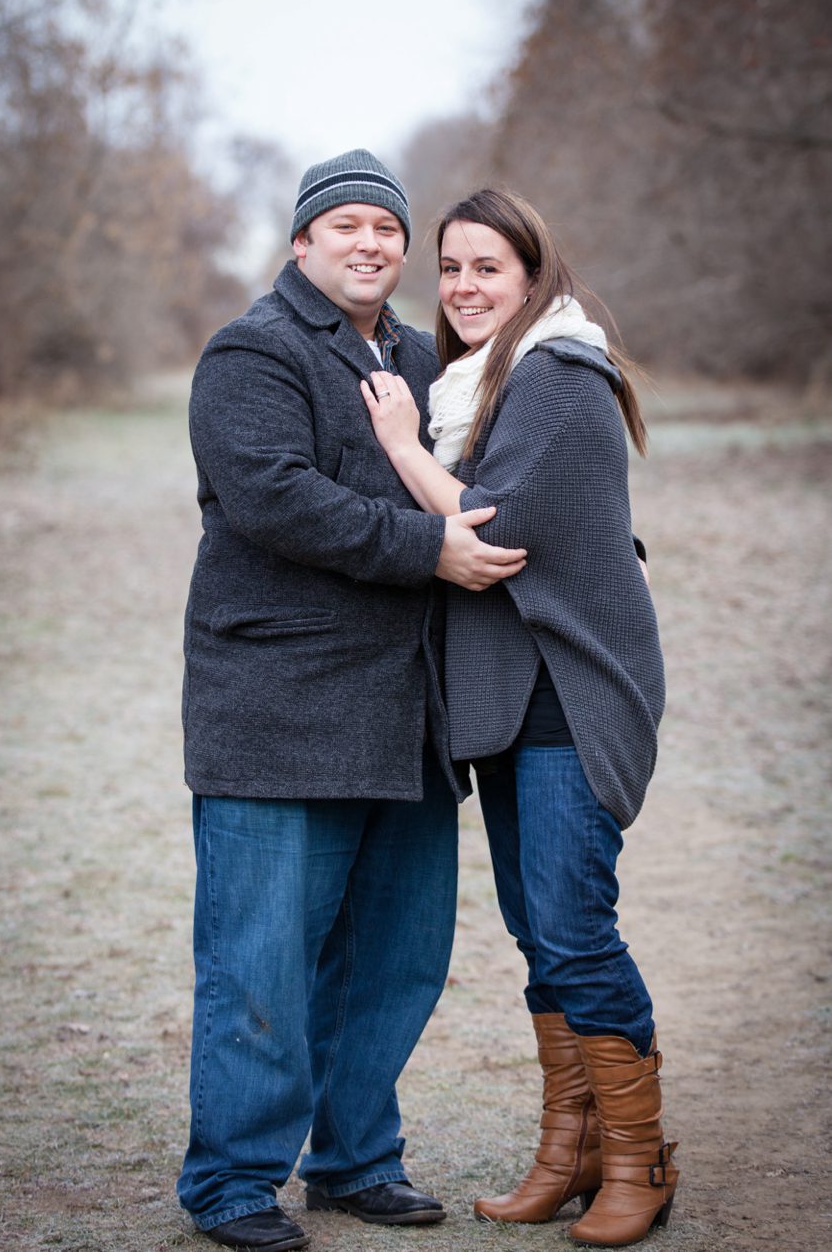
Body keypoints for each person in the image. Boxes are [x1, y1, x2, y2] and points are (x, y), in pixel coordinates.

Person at [179, 149, 530, 1251]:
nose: (371, 243)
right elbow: (278, 500)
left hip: (410, 716)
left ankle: (354, 1156)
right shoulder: (252, 352)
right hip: (282, 712)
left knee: (398, 954)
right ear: (300, 243)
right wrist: (430, 548)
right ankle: (234, 1179)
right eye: (346, 228)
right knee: (260, 963)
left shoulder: (432, 357)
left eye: (387, 227)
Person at [359, 186, 671, 1247]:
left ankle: (640, 1159)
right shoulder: (476, 387)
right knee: (541, 935)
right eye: (449, 267)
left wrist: (403, 448)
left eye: (487, 266)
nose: (462, 286)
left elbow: (491, 527)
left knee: (576, 930)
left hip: (574, 698)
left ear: (533, 277)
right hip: (511, 704)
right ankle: (570, 1150)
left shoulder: (559, 375)